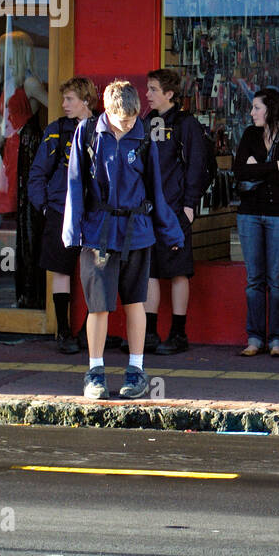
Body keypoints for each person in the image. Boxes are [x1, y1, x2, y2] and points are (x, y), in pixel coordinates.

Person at [63, 80, 184, 399]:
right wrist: (72, 231)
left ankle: (136, 369)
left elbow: (155, 187)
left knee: (135, 302)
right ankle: (95, 372)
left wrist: (170, 231)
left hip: (137, 231)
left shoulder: (143, 135)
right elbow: (75, 183)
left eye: (133, 119)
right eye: (123, 120)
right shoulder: (88, 132)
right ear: (108, 111)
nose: (129, 125)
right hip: (98, 232)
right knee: (98, 306)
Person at [0, 30, 46, 306]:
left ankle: (25, 290)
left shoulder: (29, 83)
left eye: (3, 50)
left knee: (24, 225)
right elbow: (3, 127)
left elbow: (58, 110)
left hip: (24, 157)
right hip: (7, 158)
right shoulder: (10, 84)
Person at [141, 69, 211, 355]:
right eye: (147, 89)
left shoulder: (186, 124)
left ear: (169, 94)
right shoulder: (145, 122)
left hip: (175, 208)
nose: (147, 94)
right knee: (150, 271)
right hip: (147, 209)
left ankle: (179, 333)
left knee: (179, 270)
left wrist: (189, 203)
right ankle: (149, 332)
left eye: (153, 89)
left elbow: (198, 165)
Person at [234, 87, 279, 357]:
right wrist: (276, 166)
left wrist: (259, 168)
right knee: (254, 279)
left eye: (256, 108)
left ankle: (277, 339)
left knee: (276, 279)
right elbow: (239, 170)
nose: (251, 113)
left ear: (271, 109)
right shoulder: (250, 135)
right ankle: (254, 338)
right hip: (249, 213)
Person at [28, 76, 97, 355]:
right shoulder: (56, 129)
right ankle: (63, 331)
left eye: (70, 99)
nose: (63, 104)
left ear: (86, 101)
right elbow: (37, 172)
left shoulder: (102, 129)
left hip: (95, 211)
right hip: (60, 210)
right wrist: (44, 206)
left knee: (97, 274)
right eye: (64, 98)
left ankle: (88, 330)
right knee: (61, 270)